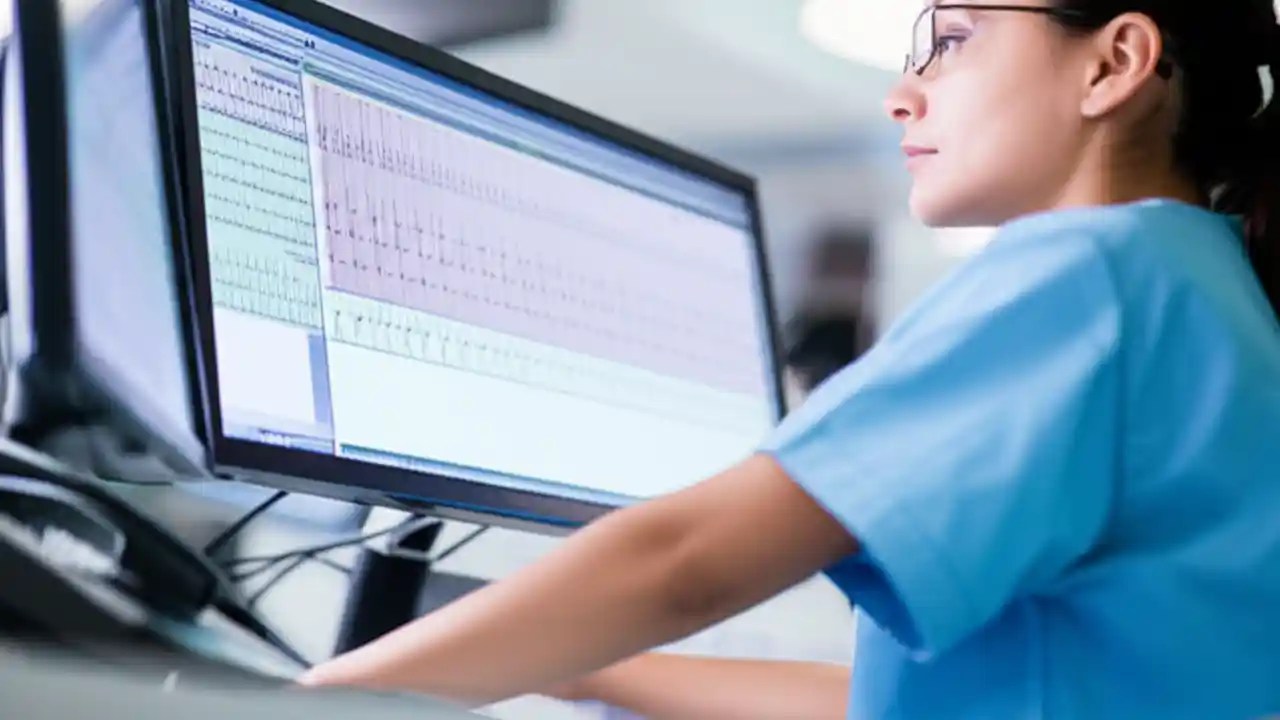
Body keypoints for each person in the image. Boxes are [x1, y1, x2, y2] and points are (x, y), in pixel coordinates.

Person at [299, 1, 1280, 718]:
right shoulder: (1206, 289)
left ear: (1112, 64)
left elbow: (682, 566)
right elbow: (901, 702)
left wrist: (318, 701)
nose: (903, 94)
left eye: (949, 42)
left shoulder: (1092, 271)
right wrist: (579, 666)